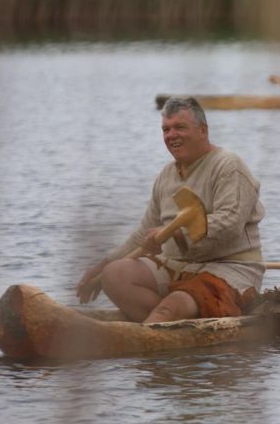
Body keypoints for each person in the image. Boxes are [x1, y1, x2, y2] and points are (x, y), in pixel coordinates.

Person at [75, 97, 266, 323]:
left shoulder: (228, 165)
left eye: (180, 128)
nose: (171, 135)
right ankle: (171, 319)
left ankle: (167, 316)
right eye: (166, 129)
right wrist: (101, 265)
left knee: (170, 308)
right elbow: (142, 234)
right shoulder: (166, 176)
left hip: (230, 269)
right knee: (114, 274)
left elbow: (230, 224)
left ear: (203, 130)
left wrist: (175, 232)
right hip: (179, 266)